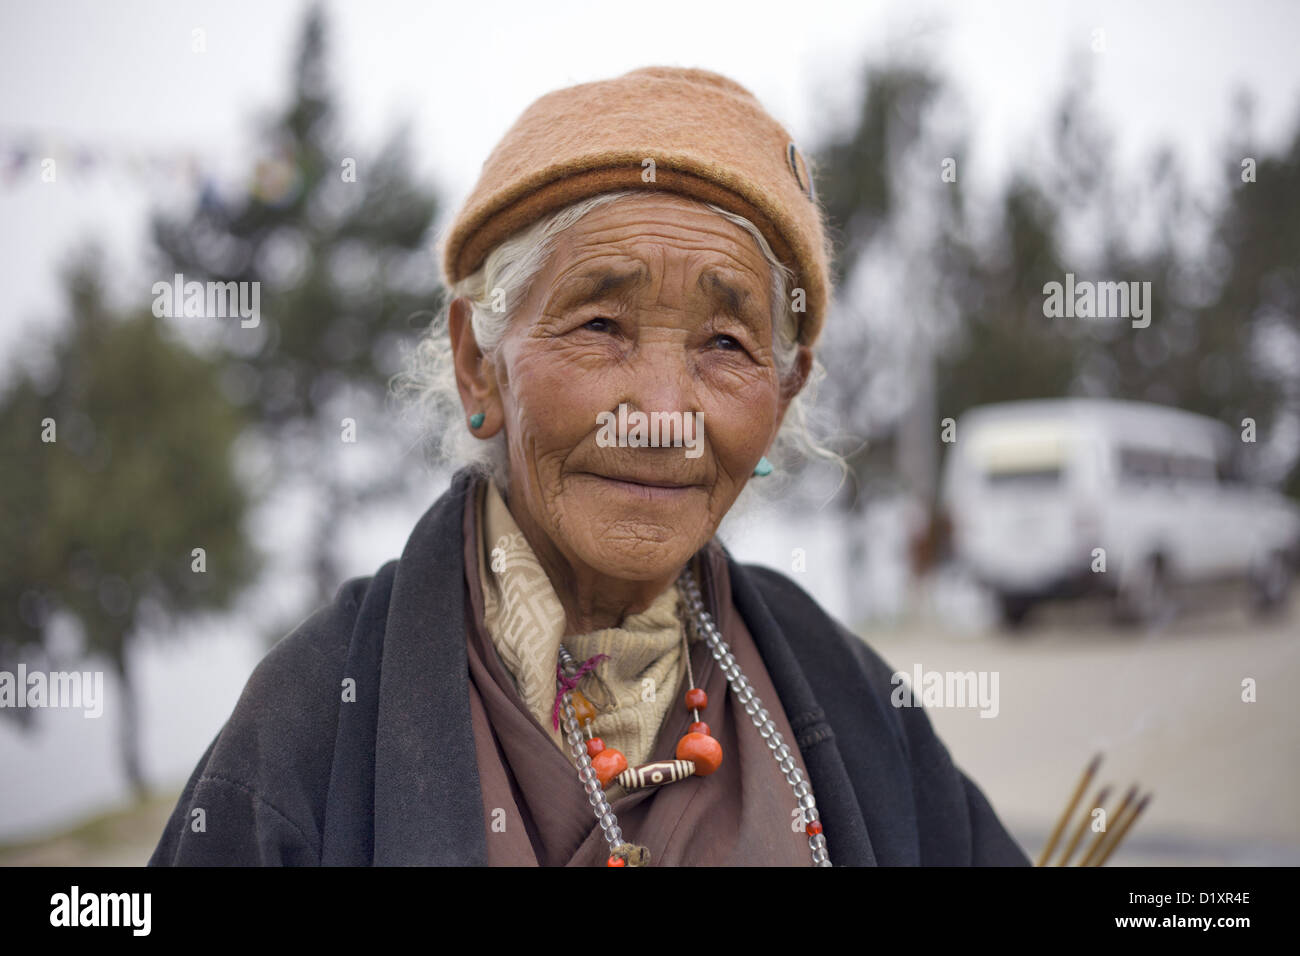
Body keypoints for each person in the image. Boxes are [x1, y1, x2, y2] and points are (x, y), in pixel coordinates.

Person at [150, 66, 1029, 867]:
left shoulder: (851, 700)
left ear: (784, 394)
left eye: (725, 343)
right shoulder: (308, 729)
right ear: (477, 362)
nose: (660, 414)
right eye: (600, 325)